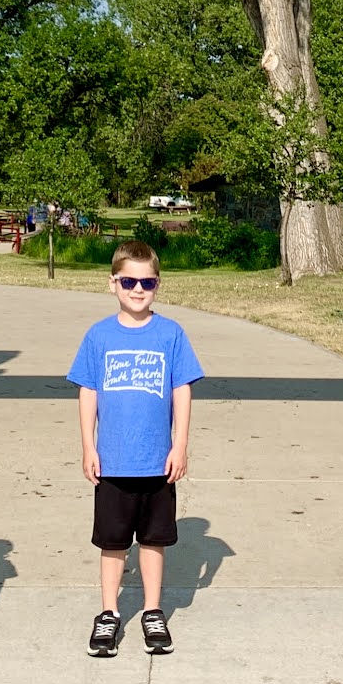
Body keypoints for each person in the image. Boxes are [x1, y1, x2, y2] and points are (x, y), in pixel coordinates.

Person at [66, 240, 203, 658]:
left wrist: (179, 445)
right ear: (113, 284)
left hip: (156, 461)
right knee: (113, 542)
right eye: (129, 281)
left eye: (147, 282)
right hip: (112, 461)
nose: (138, 289)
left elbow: (182, 391)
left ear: (157, 285)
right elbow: (87, 392)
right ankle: (108, 613)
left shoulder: (171, 334)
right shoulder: (99, 336)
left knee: (153, 540)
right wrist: (88, 446)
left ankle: (151, 610)